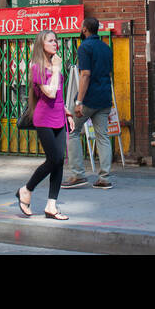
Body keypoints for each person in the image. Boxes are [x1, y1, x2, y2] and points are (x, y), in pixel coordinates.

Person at [16, 29, 74, 221]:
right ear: (42, 44)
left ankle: (51, 205)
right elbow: (49, 92)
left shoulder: (54, 63)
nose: (55, 43)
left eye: (56, 40)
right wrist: (56, 69)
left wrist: (67, 112)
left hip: (59, 116)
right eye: (51, 41)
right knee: (54, 158)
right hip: (44, 118)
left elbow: (58, 92)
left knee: (60, 162)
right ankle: (26, 189)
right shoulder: (36, 66)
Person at [63, 16, 115, 189]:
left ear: (85, 29)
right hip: (105, 98)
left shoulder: (85, 47)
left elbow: (85, 74)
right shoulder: (106, 48)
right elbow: (108, 74)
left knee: (72, 130)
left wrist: (79, 101)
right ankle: (104, 178)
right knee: (103, 136)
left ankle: (78, 175)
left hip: (89, 99)